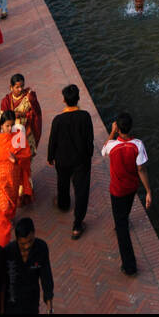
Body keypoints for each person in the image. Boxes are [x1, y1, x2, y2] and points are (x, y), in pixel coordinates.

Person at [103, 112, 153, 277]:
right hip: (132, 188)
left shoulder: (111, 146)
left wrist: (111, 132)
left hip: (117, 189)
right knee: (124, 213)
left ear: (117, 127)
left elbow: (104, 150)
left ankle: (129, 265)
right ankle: (122, 220)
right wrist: (148, 191)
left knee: (121, 227)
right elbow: (141, 169)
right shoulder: (138, 145)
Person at [47, 84, 93, 240]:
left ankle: (63, 204)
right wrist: (88, 156)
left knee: (63, 182)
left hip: (62, 160)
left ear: (64, 100)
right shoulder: (85, 117)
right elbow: (89, 140)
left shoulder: (58, 120)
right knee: (81, 192)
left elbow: (52, 141)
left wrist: (50, 157)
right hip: (81, 161)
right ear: (78, 98)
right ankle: (77, 225)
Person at [0, 111, 30, 247]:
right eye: (7, 126)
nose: (10, 129)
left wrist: (16, 160)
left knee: (11, 204)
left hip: (13, 181)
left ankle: (10, 219)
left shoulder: (18, 139)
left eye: (12, 125)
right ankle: (1, 243)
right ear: (1, 125)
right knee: (2, 209)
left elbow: (26, 156)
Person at [1, 74, 42, 204]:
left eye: (21, 86)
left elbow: (36, 114)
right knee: (14, 165)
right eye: (17, 87)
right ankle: (17, 193)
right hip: (12, 138)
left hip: (26, 136)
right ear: (11, 87)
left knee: (26, 165)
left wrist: (25, 113)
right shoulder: (6, 101)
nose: (20, 89)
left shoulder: (28, 98)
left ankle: (26, 192)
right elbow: (2, 121)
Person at [5, 217, 54, 314]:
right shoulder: (8, 251)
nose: (27, 246)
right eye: (23, 244)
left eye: (30, 241)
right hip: (12, 299)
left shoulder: (41, 248)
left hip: (31, 299)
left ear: (34, 233)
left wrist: (49, 306)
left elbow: (46, 276)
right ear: (17, 240)